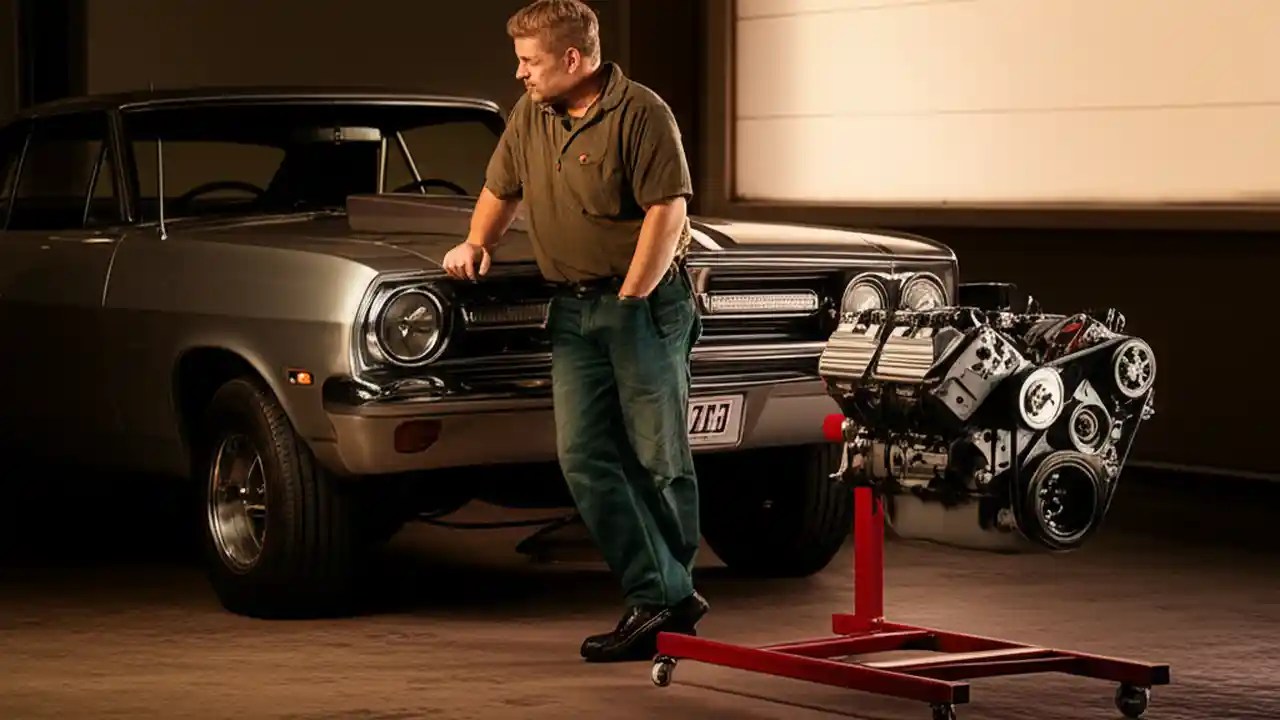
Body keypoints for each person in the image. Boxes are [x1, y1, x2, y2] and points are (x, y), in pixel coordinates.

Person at [441, 0, 708, 663]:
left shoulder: (642, 113)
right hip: (572, 313)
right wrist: (476, 241)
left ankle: (661, 599)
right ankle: (666, 596)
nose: (520, 75)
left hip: (642, 306)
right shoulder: (531, 115)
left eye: (529, 62)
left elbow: (667, 211)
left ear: (572, 59)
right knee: (585, 458)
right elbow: (501, 189)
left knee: (659, 458)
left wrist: (632, 295)